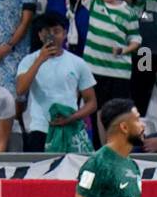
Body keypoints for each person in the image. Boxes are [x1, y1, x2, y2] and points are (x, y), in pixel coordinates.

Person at [16, 11, 97, 152]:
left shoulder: (78, 63)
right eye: (47, 32)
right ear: (40, 35)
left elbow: (91, 102)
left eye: (56, 31)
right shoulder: (28, 60)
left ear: (64, 34)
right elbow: (20, 90)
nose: (52, 36)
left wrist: (72, 117)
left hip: (70, 127)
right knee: (38, 173)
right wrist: (40, 59)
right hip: (39, 128)